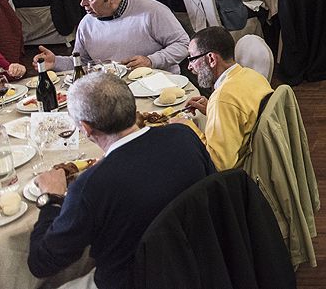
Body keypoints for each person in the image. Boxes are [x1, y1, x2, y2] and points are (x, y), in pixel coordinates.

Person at [27, 72, 214, 289]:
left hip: (134, 279)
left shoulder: (90, 187)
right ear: (133, 108)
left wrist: (51, 198)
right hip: (201, 261)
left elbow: (42, 263)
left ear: (86, 128)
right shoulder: (184, 135)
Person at [35, 0, 189, 73]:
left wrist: (152, 60)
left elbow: (183, 44)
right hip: (113, 92)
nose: (82, 4)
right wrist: (55, 62)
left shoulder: (152, 11)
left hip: (157, 85)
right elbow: (82, 61)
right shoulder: (87, 23)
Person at [183, 26, 274, 170]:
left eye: (193, 58)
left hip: (244, 171)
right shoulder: (251, 75)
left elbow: (219, 164)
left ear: (211, 59)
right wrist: (212, 110)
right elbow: (244, 116)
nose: (189, 67)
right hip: (266, 159)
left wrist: (188, 129)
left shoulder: (223, 99)